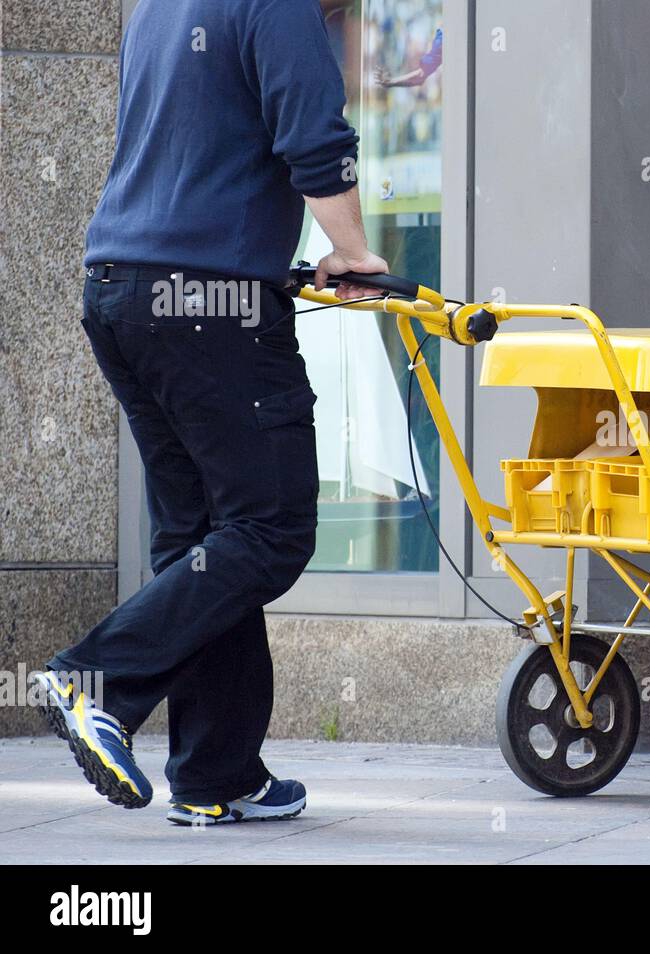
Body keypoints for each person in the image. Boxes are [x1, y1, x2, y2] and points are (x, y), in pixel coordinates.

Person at [32, 0, 390, 826]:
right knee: (270, 526)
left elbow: (187, 144)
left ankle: (215, 770)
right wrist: (351, 250)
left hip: (120, 289)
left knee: (200, 541)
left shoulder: (157, 6)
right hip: (208, 304)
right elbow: (313, 134)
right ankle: (98, 682)